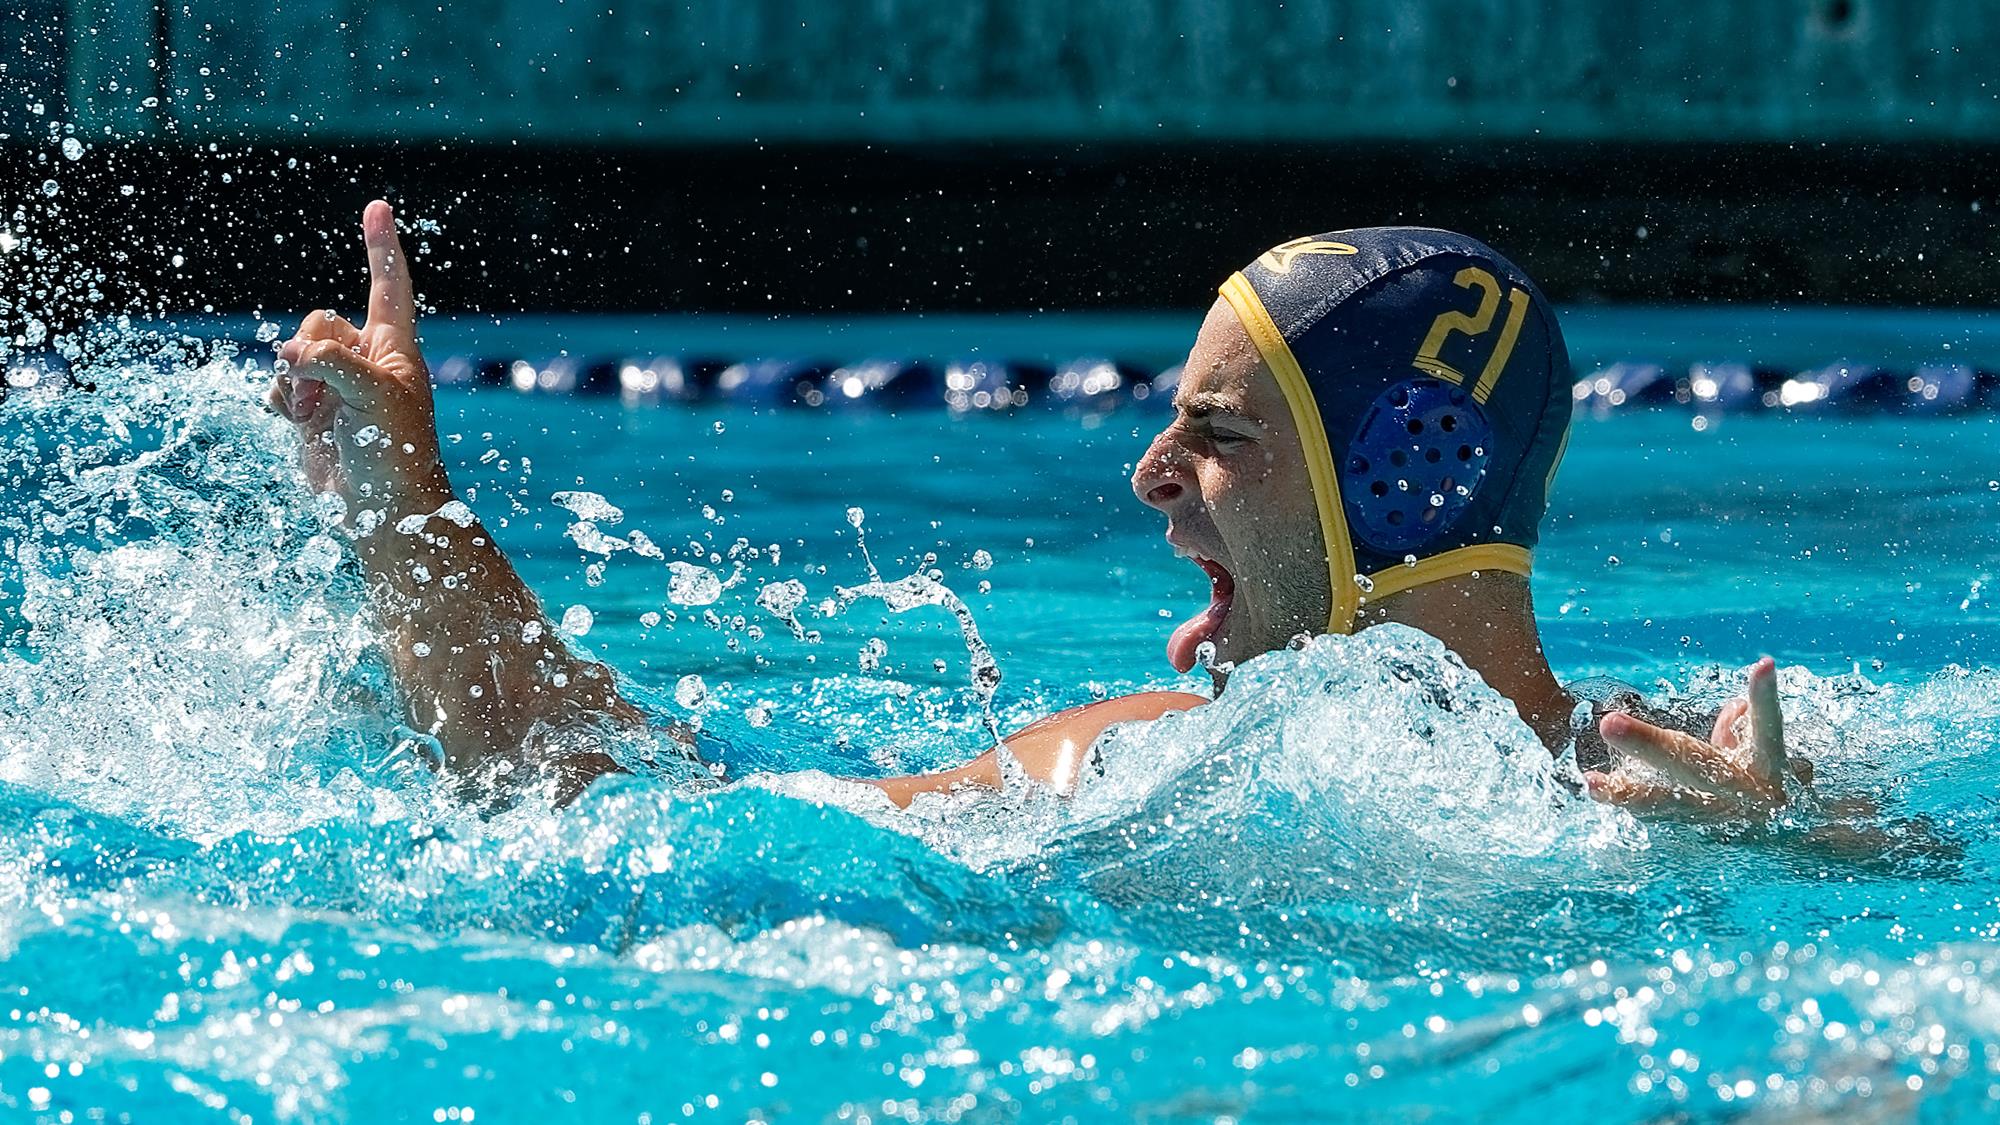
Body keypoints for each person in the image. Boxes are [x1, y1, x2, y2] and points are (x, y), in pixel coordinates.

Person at [269, 203, 1802, 815]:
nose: (1145, 475)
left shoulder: (1674, 786)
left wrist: (1788, 851)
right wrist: (413, 516)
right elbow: (617, 802)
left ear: (1385, 481)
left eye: (1212, 434)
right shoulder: (1129, 764)